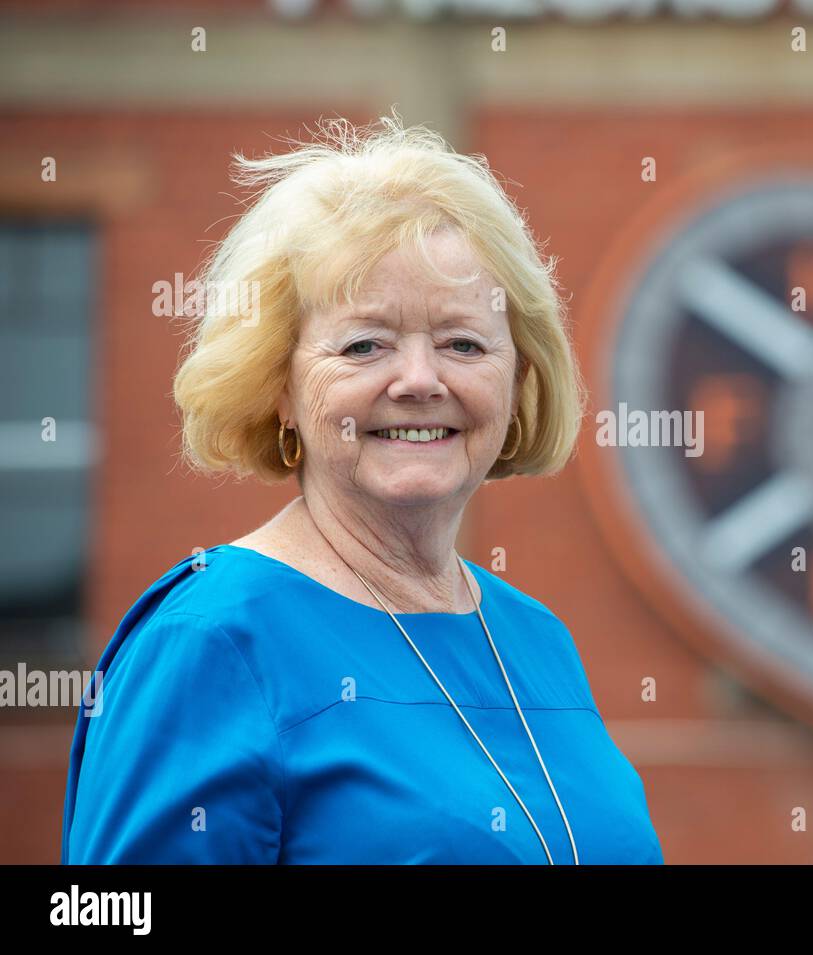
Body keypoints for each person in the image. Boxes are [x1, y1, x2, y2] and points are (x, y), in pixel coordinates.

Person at [60, 112, 664, 865]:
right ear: (278, 385)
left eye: (462, 342)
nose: (419, 380)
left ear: (518, 379)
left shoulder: (538, 639)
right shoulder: (211, 642)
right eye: (364, 344)